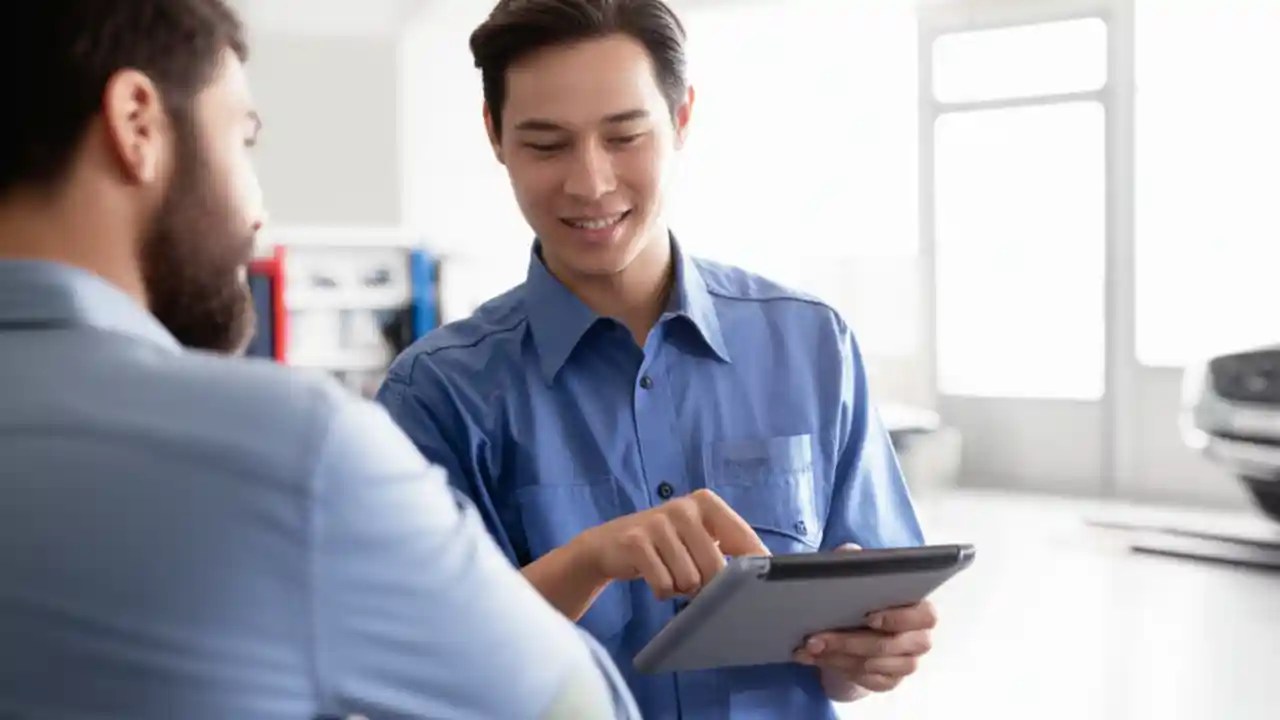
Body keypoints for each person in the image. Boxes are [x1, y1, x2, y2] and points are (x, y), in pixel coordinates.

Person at [0, 2, 639, 719]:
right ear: (137, 124)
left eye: (626, 134)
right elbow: (577, 709)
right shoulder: (293, 453)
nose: (258, 209)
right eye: (244, 139)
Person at [377, 0, 939, 718]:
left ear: (681, 119)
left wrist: (872, 656)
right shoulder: (435, 396)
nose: (590, 182)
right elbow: (424, 667)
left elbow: (853, 653)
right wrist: (588, 562)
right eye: (547, 145)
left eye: (625, 136)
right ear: (496, 137)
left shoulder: (812, 347)